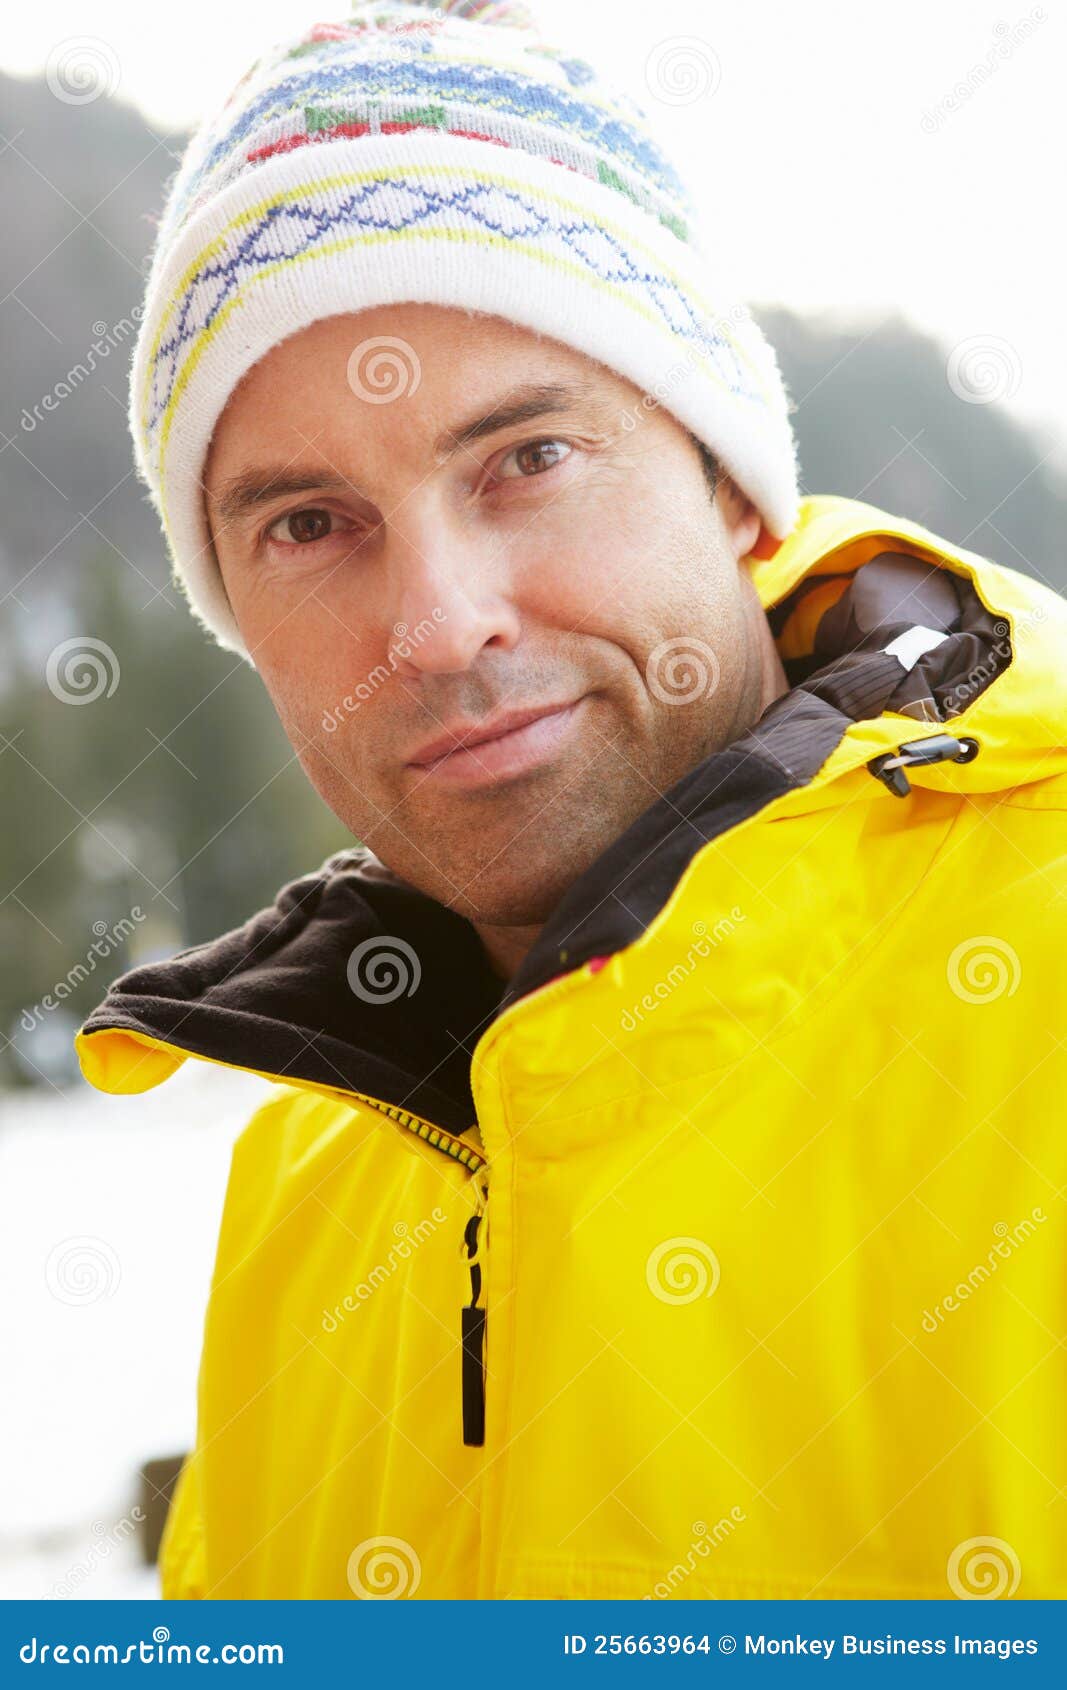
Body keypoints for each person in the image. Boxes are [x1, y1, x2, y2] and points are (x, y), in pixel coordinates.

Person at [77, 0, 1066, 1601]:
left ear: (737, 484)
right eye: (310, 522)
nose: (439, 621)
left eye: (527, 456)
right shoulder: (312, 1186)